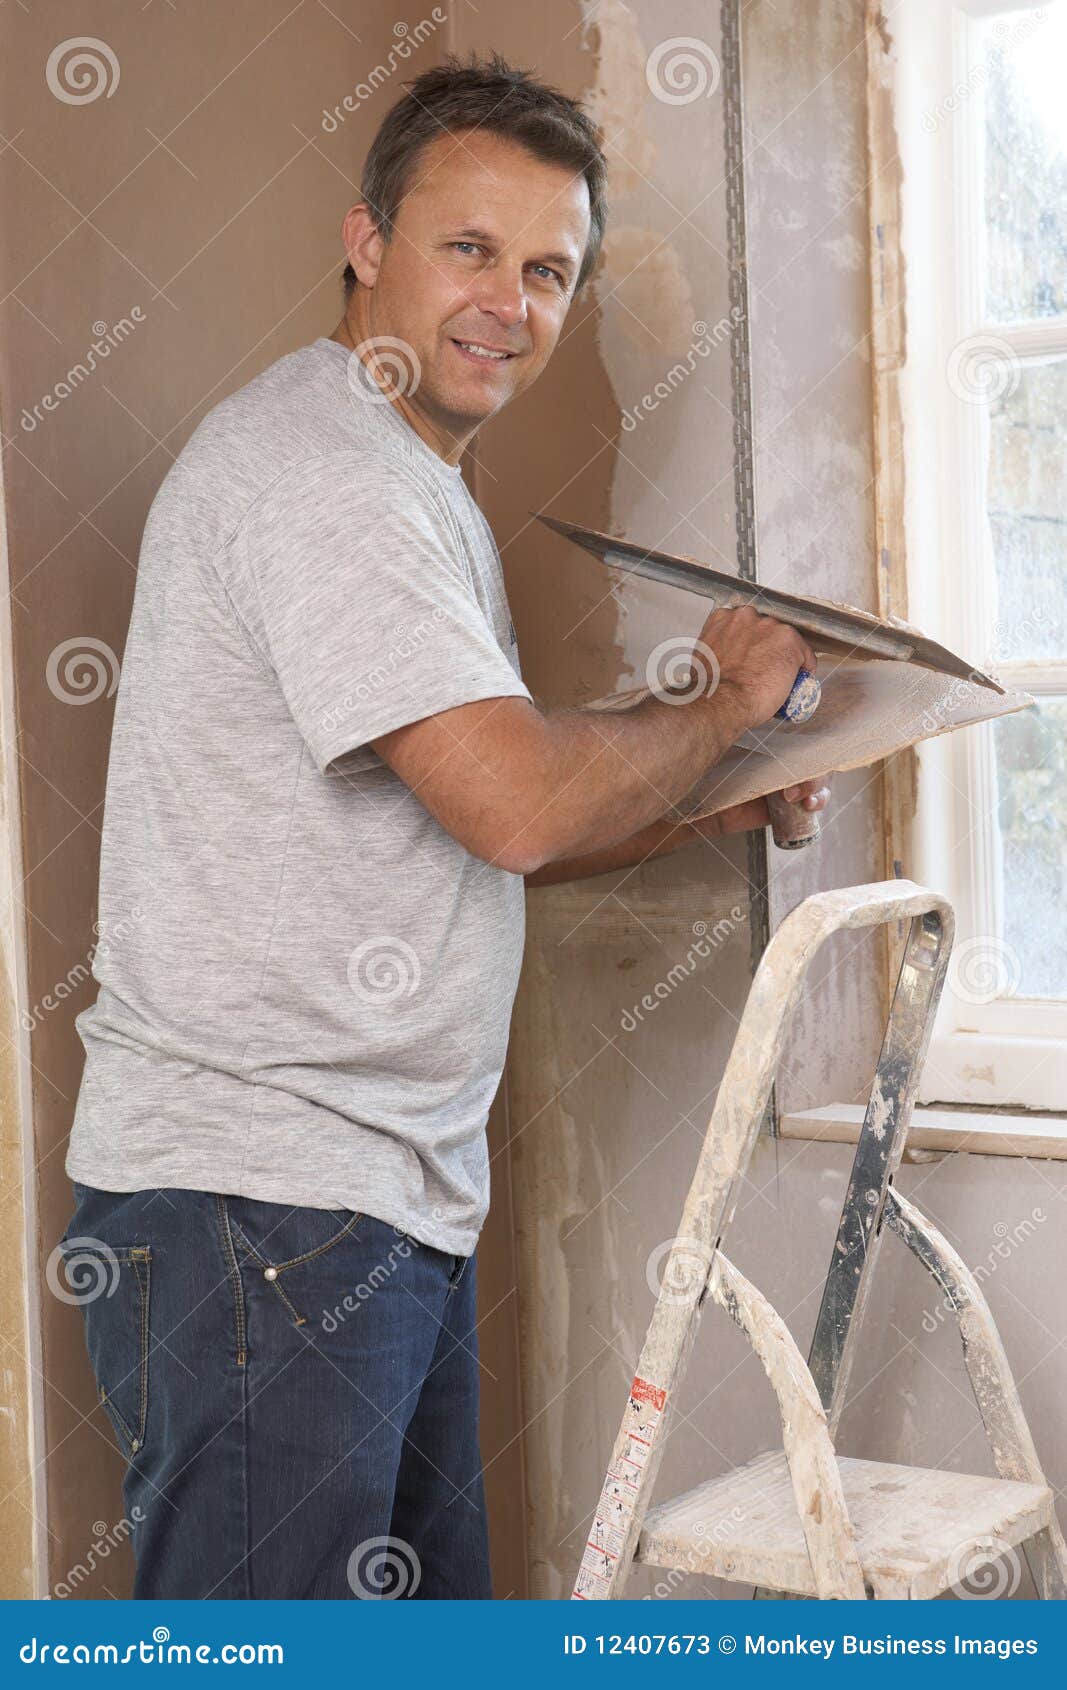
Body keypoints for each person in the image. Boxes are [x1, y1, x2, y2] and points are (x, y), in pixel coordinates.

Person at [58, 50, 829, 1600]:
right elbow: (520, 799)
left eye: (549, 269)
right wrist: (723, 705)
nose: (510, 303)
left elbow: (482, 824)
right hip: (261, 1208)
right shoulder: (326, 474)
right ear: (366, 242)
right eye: (468, 248)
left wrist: (700, 801)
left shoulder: (407, 481)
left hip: (357, 1206)